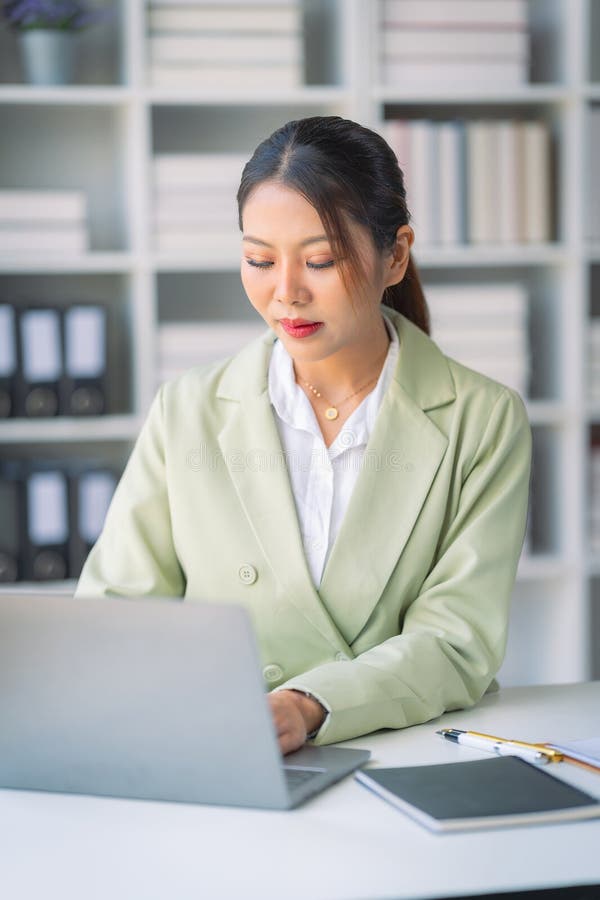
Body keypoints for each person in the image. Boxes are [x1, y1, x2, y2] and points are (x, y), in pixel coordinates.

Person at [76, 116, 532, 755]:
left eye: (320, 261)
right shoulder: (187, 409)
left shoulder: (481, 419)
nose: (285, 292)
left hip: (405, 750)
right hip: (221, 747)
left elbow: (458, 641)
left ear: (395, 254)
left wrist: (309, 705)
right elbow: (115, 613)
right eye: (259, 259)